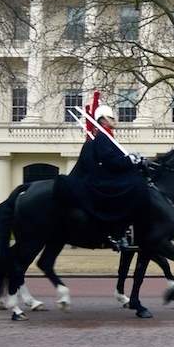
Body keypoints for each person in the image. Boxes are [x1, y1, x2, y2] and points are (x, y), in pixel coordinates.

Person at [62, 104, 150, 252]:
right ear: (102, 120)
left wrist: (131, 158)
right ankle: (118, 233)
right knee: (130, 189)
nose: (114, 120)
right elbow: (110, 161)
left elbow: (116, 158)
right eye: (111, 117)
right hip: (100, 179)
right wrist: (131, 160)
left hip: (105, 176)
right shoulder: (103, 137)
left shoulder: (108, 136)